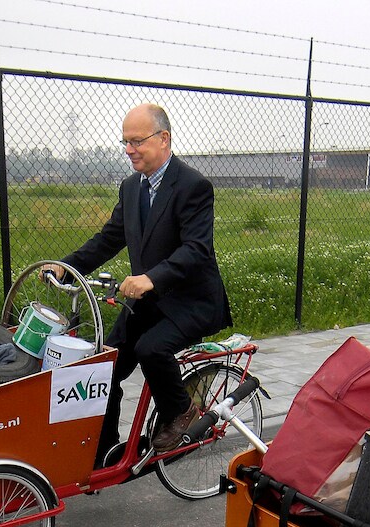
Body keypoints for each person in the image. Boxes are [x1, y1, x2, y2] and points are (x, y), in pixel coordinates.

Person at [46, 103, 232, 466]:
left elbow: (197, 249)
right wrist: (66, 266)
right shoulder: (131, 188)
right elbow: (109, 238)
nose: (129, 150)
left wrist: (151, 277)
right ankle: (105, 452)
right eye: (125, 142)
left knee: (151, 349)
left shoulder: (193, 186)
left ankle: (182, 412)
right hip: (149, 302)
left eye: (137, 141)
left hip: (193, 301)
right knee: (105, 365)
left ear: (164, 139)